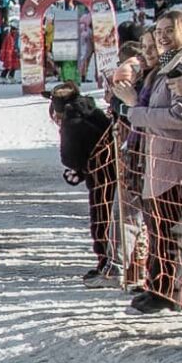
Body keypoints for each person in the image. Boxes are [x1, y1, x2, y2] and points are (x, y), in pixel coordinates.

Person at [127, 7, 182, 315]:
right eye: (159, 31)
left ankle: (179, 289)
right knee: (162, 228)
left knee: (176, 229)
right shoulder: (166, 64)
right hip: (160, 158)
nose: (162, 37)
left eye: (169, 30)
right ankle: (163, 286)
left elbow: (180, 116)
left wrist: (136, 110)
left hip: (176, 161)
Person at [49, 84, 116, 281]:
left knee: (102, 219)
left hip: (102, 175)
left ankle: (106, 262)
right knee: (110, 218)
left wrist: (76, 169)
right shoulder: (91, 110)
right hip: (110, 168)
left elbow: (71, 158)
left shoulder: (72, 122)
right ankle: (110, 261)